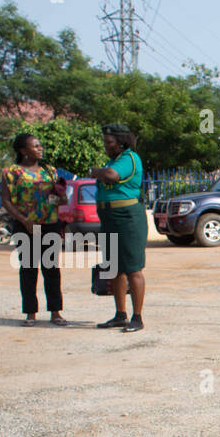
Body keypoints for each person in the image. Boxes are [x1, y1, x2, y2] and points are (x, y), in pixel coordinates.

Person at [0, 134, 67, 326]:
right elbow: (6, 200)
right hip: (26, 226)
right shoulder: (11, 173)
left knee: (52, 269)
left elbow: (55, 198)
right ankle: (30, 313)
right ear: (23, 150)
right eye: (35, 146)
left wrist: (61, 199)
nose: (40, 148)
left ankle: (56, 312)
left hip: (50, 224)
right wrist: (23, 220)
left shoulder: (50, 171)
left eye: (40, 145)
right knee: (29, 269)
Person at [92, 124, 148, 332]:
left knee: (133, 268)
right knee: (114, 267)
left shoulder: (129, 158)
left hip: (127, 217)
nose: (106, 146)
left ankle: (137, 317)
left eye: (109, 142)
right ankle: (120, 315)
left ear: (121, 141)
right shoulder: (113, 160)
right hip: (109, 217)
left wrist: (95, 171)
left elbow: (111, 176)